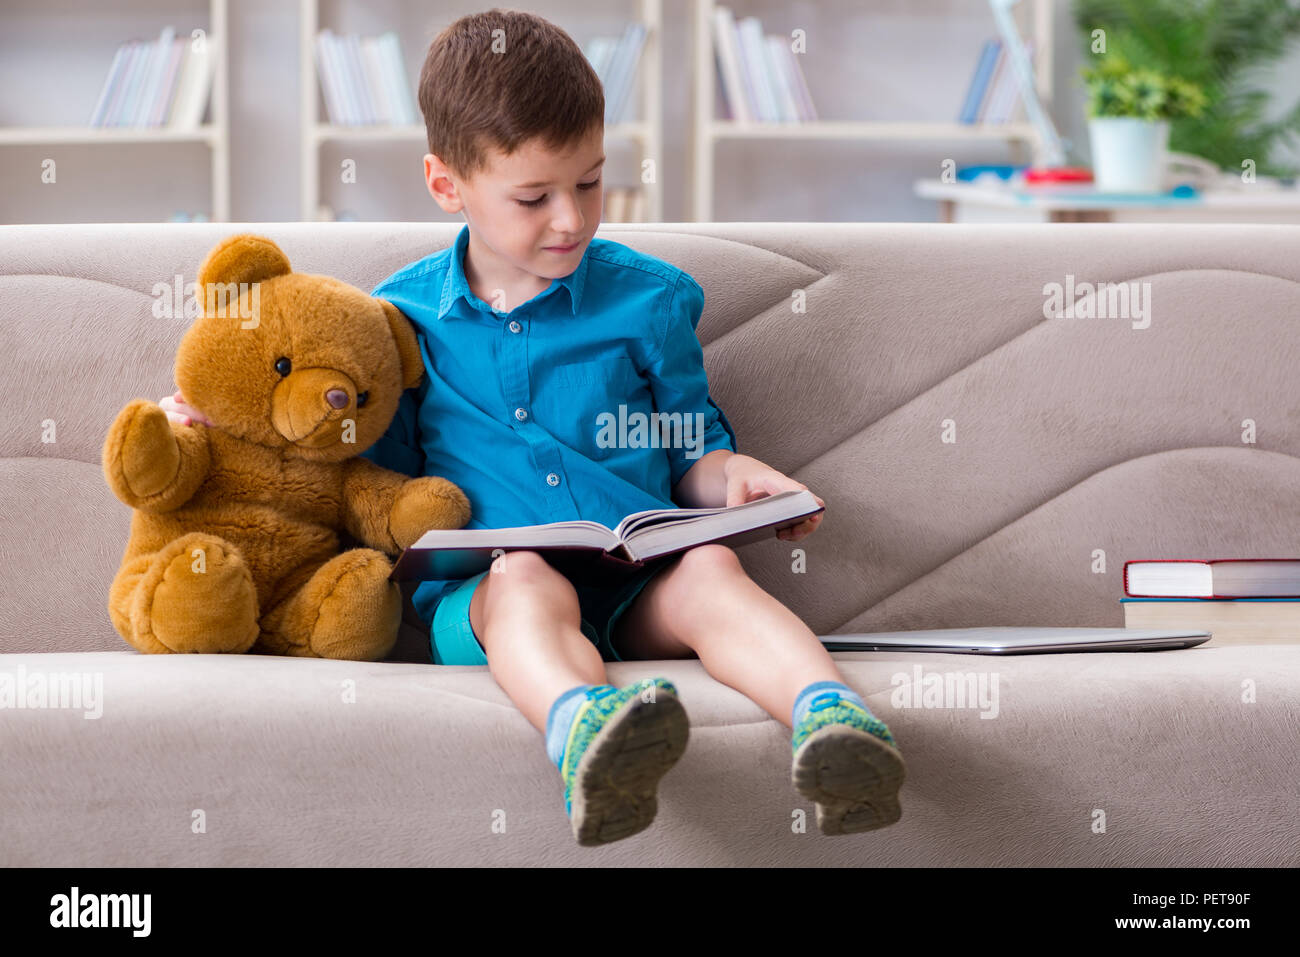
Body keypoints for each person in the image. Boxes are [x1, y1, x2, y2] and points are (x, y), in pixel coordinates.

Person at [160, 8, 904, 847]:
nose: (572, 220)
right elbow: (372, 478)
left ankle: (834, 720)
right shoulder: (398, 322)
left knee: (711, 564)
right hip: (488, 597)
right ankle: (587, 732)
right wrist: (213, 423)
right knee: (524, 582)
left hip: (636, 582)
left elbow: (695, 451)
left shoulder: (650, 300)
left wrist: (738, 482)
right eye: (534, 197)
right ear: (448, 186)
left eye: (590, 182)